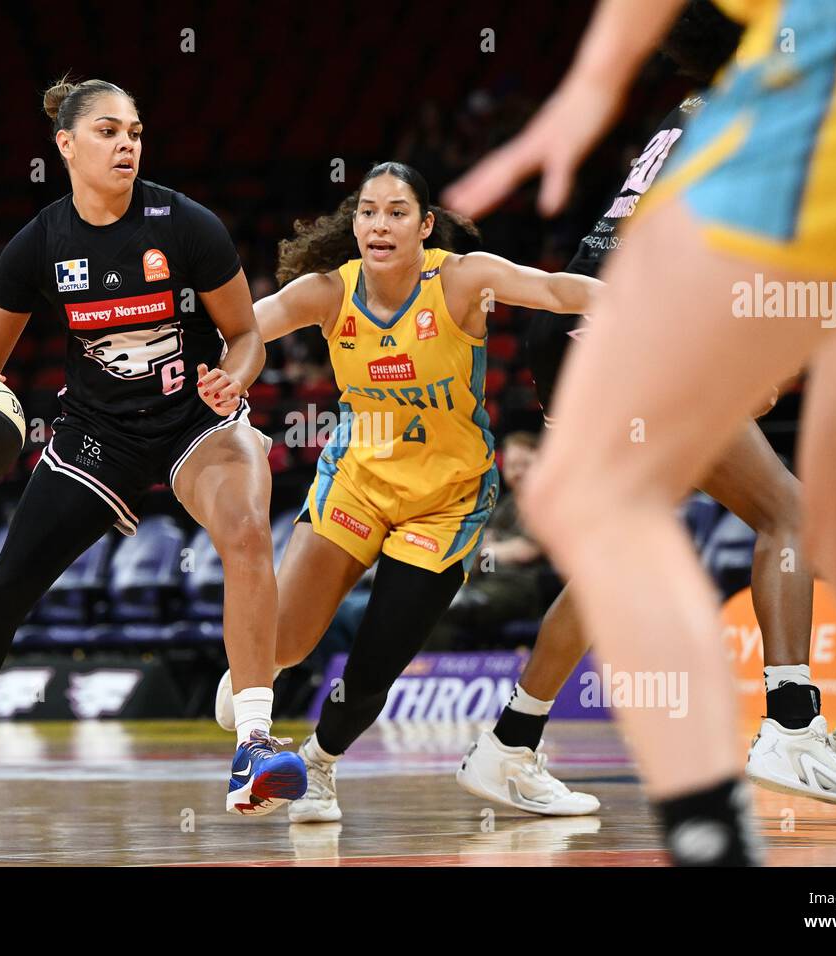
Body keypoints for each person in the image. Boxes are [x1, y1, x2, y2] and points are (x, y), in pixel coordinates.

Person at [446, 0, 836, 865]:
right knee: (795, 519)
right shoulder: (805, 93)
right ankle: (790, 726)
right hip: (620, 312)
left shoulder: (717, 102)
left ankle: (510, 743)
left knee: (623, 531)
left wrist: (591, 83)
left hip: (607, 314)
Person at [0, 76, 304, 833]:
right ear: (65, 144)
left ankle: (253, 744)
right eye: (108, 132)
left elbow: (246, 332)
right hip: (98, 432)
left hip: (195, 413)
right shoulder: (39, 244)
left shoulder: (186, 224)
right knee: (6, 591)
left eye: (135, 132)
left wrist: (236, 376)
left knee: (247, 531)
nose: (127, 144)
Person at [213, 161, 603, 821]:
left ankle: (319, 766)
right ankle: (260, 672)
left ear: (425, 226)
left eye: (397, 212)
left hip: (445, 498)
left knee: (374, 667)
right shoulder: (329, 292)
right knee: (292, 642)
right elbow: (247, 325)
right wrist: (207, 366)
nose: (379, 224)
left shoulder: (460, 278)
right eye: (368, 211)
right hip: (358, 482)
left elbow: (554, 290)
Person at [431, 431, 546, 648]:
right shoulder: (503, 506)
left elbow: (527, 550)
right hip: (486, 583)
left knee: (454, 606)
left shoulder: (549, 502)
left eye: (525, 464)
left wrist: (487, 549)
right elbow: (481, 553)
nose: (518, 472)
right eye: (513, 466)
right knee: (432, 607)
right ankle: (435, 673)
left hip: (523, 587)